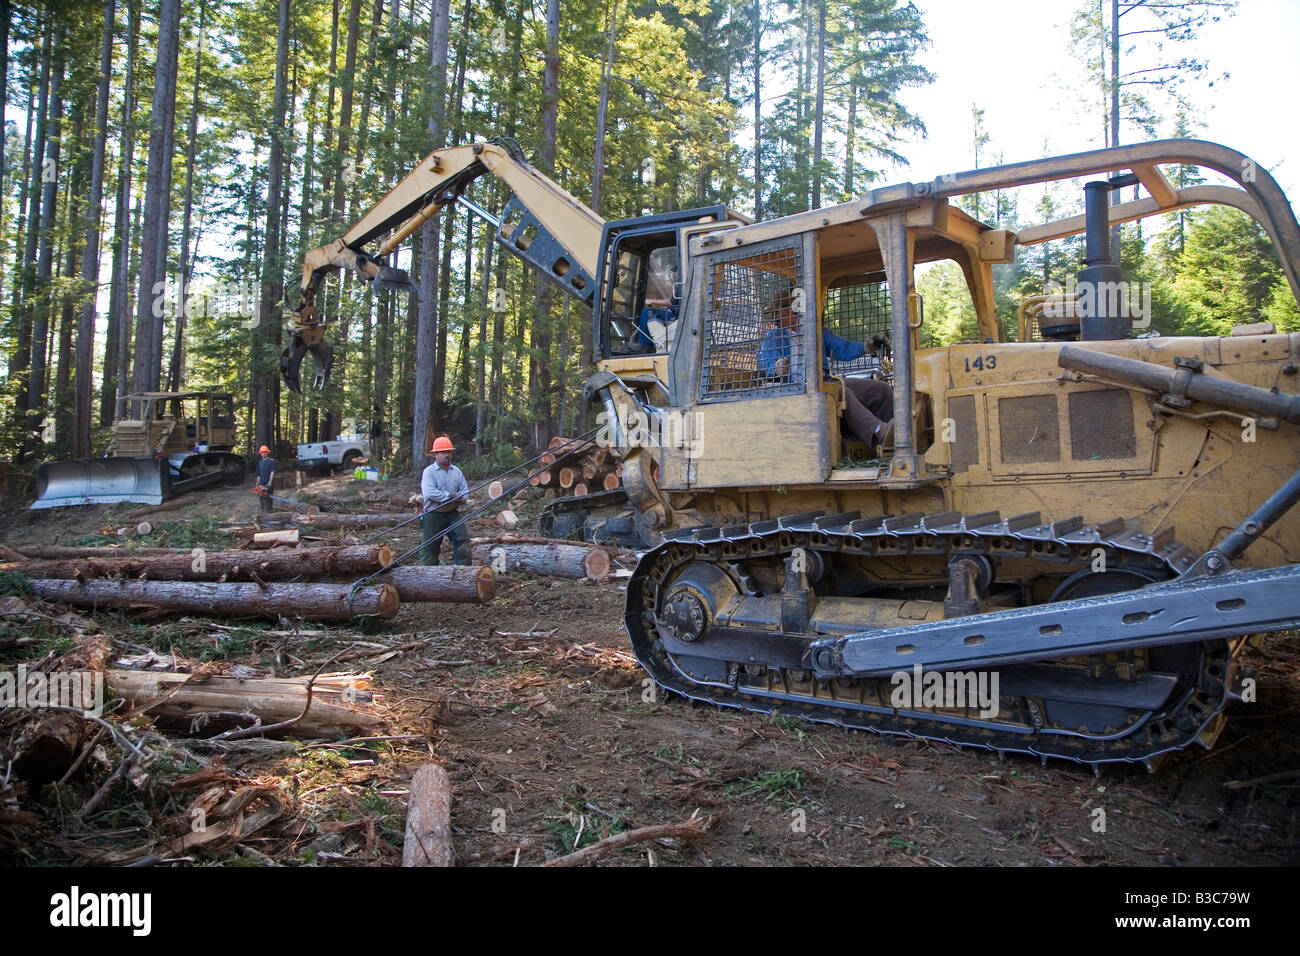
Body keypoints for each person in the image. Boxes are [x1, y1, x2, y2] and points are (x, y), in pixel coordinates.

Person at [757, 292, 895, 450]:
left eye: (785, 310)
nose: (778, 316)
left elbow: (844, 348)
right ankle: (880, 433)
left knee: (880, 389)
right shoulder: (774, 337)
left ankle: (894, 439)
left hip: (824, 381)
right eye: (779, 312)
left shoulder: (816, 333)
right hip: (796, 388)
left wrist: (867, 346)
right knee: (840, 392)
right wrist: (778, 366)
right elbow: (767, 361)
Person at [420, 436, 471, 566]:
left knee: (462, 539)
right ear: (435, 455)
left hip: (451, 511)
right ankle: (426, 575)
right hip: (433, 512)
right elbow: (429, 492)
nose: (447, 455)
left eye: (448, 452)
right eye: (443, 452)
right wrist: (449, 496)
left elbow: (465, 490)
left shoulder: (456, 471)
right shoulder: (429, 472)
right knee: (430, 547)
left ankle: (463, 571)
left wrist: (461, 498)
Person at [254, 444, 276, 512]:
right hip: (261, 484)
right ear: (260, 453)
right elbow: (259, 475)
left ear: (267, 452)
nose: (263, 453)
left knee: (268, 500)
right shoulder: (260, 463)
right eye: (262, 452)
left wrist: (270, 482)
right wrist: (256, 485)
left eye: (265, 452)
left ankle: (270, 512)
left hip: (267, 484)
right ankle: (263, 512)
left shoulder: (271, 461)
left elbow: (272, 472)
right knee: (261, 500)